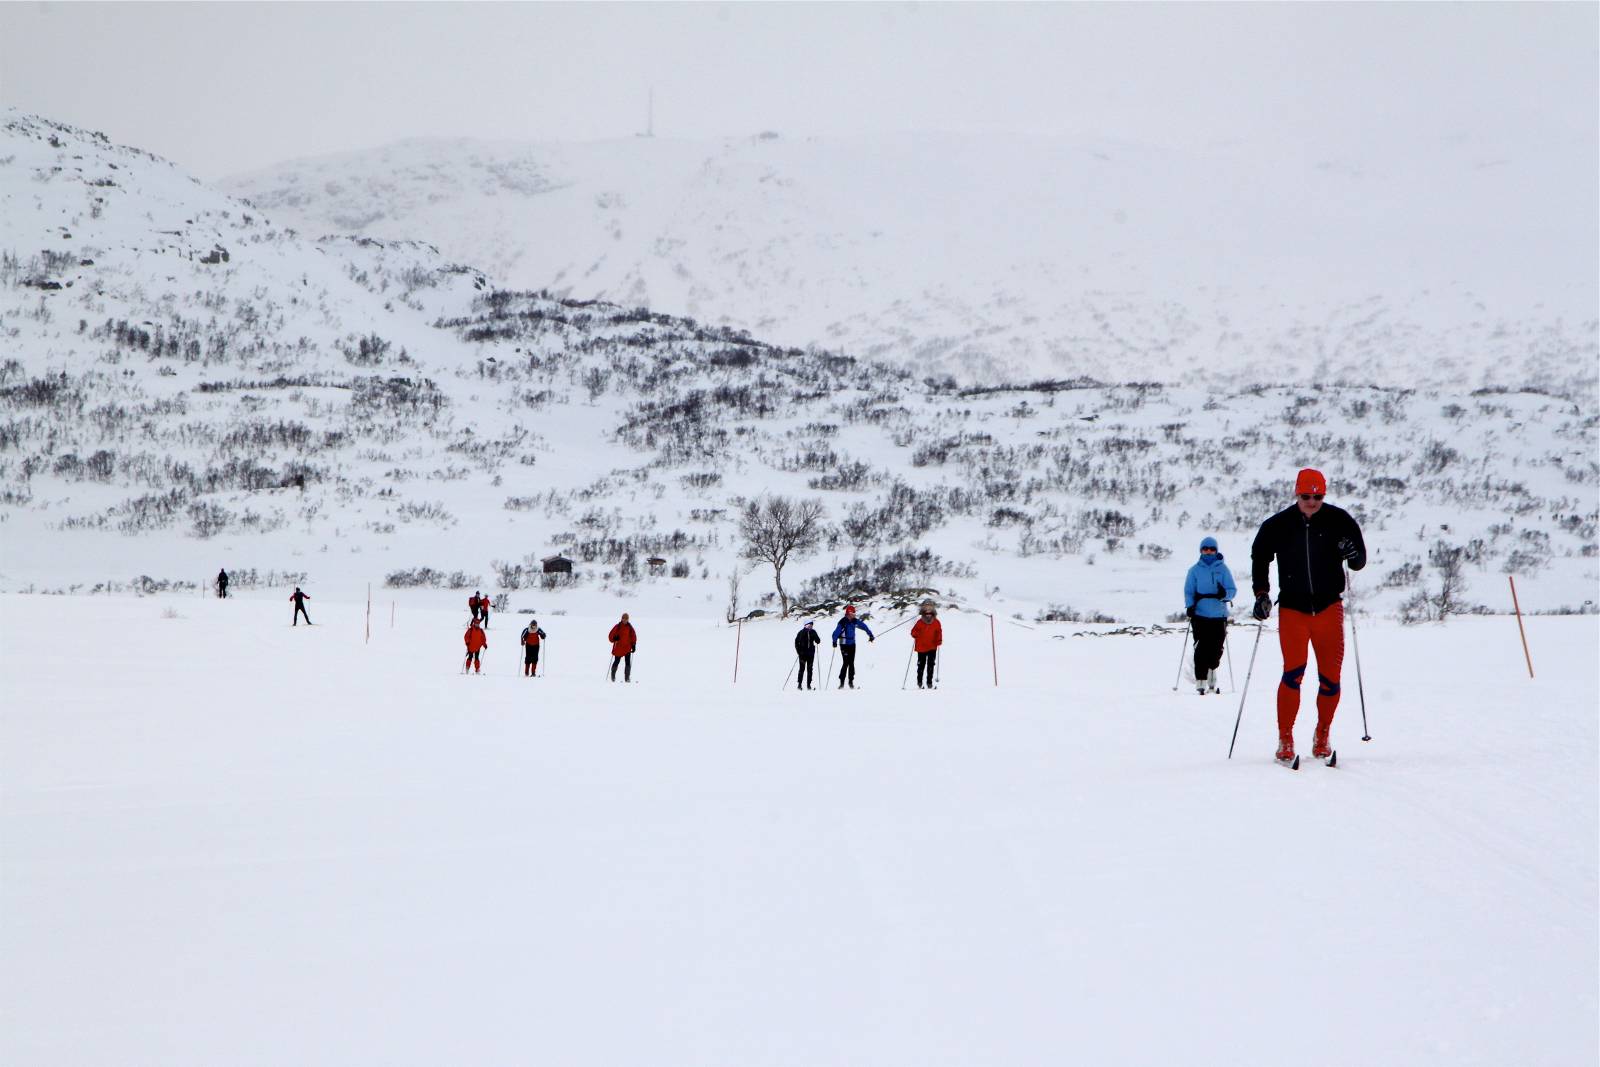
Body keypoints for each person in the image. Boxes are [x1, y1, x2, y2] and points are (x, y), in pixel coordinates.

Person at [1250, 468, 1367, 762]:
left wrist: (1351, 552)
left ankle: (1322, 733)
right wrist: (1261, 594)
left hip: (1329, 608)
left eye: (1318, 496)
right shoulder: (1278, 525)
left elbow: (1359, 562)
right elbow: (1260, 555)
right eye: (1306, 496)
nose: (1312, 501)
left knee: (1330, 679)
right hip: (1293, 610)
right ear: (1296, 493)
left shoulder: (1339, 520)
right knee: (1293, 673)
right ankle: (1285, 738)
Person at [1183, 536, 1236, 695]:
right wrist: (1190, 606)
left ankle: (1212, 671)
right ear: (1201, 550)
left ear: (1216, 550)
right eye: (1205, 549)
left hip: (1219, 614)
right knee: (1201, 647)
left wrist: (1224, 594)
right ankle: (1201, 680)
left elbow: (1232, 590)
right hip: (1200, 614)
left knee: (1217, 647)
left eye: (1211, 549)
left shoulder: (1223, 569)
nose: (1208, 551)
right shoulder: (1194, 570)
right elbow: (1189, 591)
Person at [830, 604, 874, 689]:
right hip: (844, 644)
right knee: (846, 662)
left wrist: (870, 635)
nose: (853, 616)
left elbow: (864, 627)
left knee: (851, 663)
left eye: (854, 614)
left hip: (852, 644)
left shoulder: (854, 621)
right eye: (852, 614)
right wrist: (834, 641)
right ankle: (842, 682)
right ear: (847, 614)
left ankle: (851, 682)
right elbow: (835, 633)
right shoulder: (842, 622)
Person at [910, 600, 942, 689]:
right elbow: (913, 632)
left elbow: (939, 632)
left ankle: (929, 682)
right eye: (926, 612)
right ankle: (919, 682)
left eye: (930, 612)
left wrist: (939, 640)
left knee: (931, 665)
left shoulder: (936, 622)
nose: (928, 614)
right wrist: (914, 634)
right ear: (923, 613)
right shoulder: (920, 622)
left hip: (932, 647)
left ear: (932, 613)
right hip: (921, 647)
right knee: (921, 665)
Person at [608, 613, 637, 682]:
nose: (625, 620)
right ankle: (613, 676)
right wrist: (614, 638)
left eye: (626, 619)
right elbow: (610, 636)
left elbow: (633, 636)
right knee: (616, 661)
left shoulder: (630, 627)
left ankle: (627, 678)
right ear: (621, 619)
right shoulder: (617, 626)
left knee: (628, 663)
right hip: (619, 648)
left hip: (627, 648)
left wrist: (633, 645)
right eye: (623, 618)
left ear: (628, 619)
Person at [793, 621, 821, 690]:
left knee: (810, 669)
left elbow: (818, 641)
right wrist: (799, 652)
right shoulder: (801, 632)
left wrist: (816, 638)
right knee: (802, 669)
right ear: (805, 625)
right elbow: (796, 642)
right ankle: (799, 684)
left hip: (811, 654)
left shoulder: (813, 632)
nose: (811, 626)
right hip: (802, 654)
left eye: (811, 625)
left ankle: (809, 685)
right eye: (809, 625)